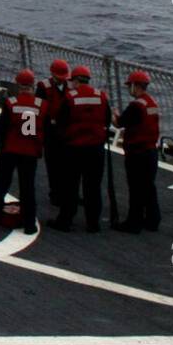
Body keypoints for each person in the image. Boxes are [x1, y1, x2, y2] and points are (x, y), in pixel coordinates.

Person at [47, 66, 110, 233]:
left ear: (75, 80)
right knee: (93, 188)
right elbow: (108, 120)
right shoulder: (101, 96)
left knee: (70, 186)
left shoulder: (70, 97)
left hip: (74, 148)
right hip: (96, 149)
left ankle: (65, 221)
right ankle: (93, 223)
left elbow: (61, 123)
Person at [0, 69, 44, 234]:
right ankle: (30, 224)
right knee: (28, 188)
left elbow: (2, 128)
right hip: (30, 152)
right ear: (32, 85)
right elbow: (44, 130)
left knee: (1, 185)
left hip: (11, 150)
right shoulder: (41, 104)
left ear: (18, 85)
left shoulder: (11, 103)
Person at [114, 70, 161, 232]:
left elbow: (120, 123)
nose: (129, 89)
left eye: (130, 86)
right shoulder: (152, 103)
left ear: (135, 86)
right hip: (151, 151)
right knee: (149, 187)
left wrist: (113, 115)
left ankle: (134, 223)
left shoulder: (136, 106)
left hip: (137, 152)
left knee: (135, 189)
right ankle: (153, 220)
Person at [35, 59, 72, 207]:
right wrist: (31, 133)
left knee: (68, 165)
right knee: (53, 165)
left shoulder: (70, 86)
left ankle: (68, 192)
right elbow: (36, 110)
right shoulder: (43, 87)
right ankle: (55, 193)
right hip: (50, 131)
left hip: (66, 131)